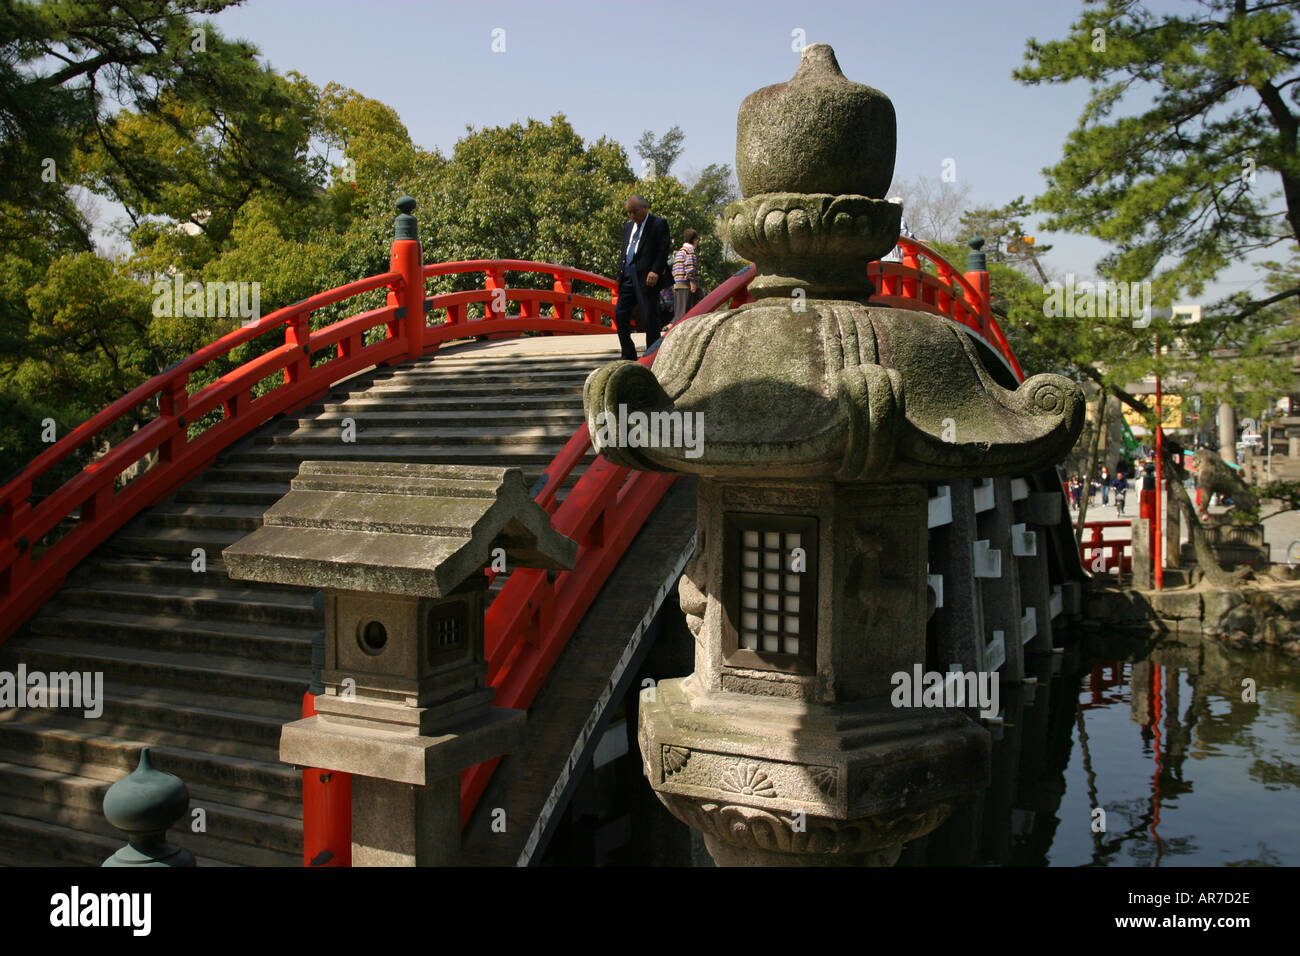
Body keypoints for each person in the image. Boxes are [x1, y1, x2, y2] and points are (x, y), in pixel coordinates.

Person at [614, 194, 670, 361]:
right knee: (620, 313)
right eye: (629, 212)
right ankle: (628, 353)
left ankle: (651, 355)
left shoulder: (658, 224)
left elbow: (663, 249)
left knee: (649, 316)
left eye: (635, 212)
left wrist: (656, 271)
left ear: (645, 208)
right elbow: (625, 250)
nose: (632, 216)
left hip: (647, 277)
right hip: (628, 276)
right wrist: (620, 273)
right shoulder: (627, 227)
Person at [671, 229, 701, 321]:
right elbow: (690, 266)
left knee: (679, 311)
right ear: (694, 240)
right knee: (687, 313)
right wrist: (692, 282)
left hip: (677, 284)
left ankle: (672, 324)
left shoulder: (679, 251)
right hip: (686, 285)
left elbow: (674, 269)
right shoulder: (690, 251)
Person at [881, 197, 917, 262]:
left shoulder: (884, 220)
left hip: (885, 256)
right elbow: (903, 232)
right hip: (897, 257)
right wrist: (915, 240)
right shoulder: (899, 219)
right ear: (901, 209)